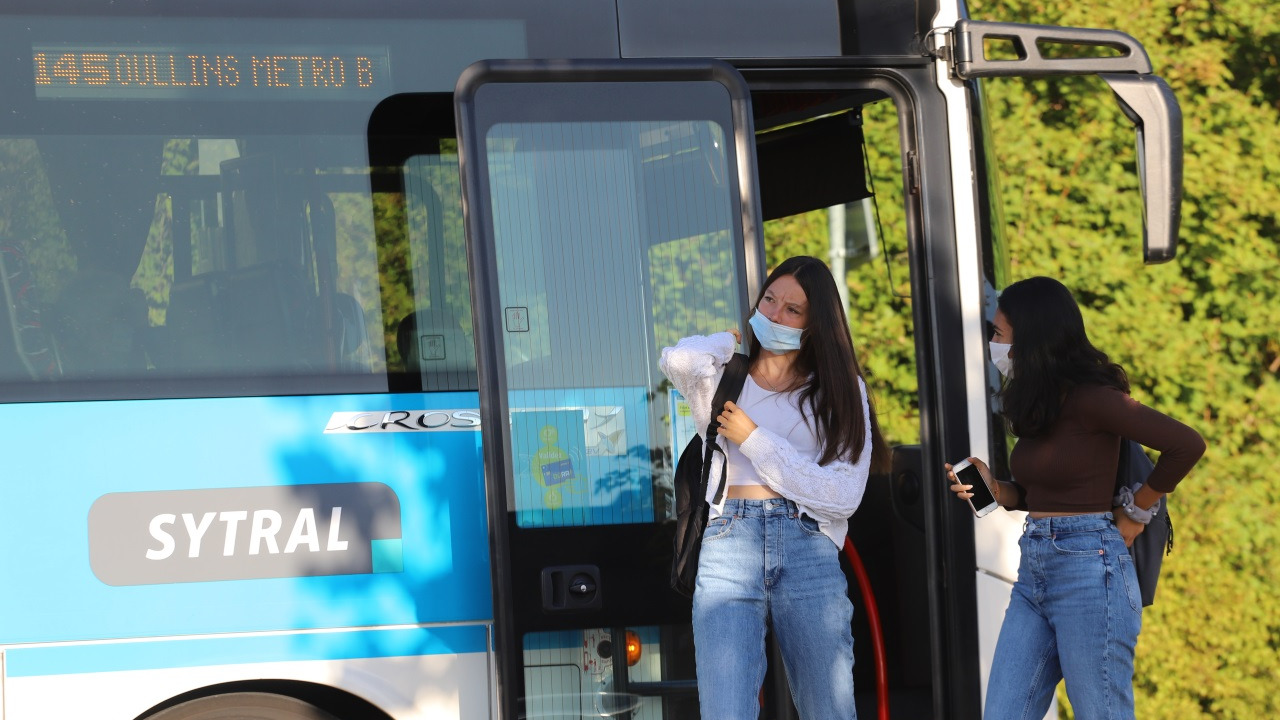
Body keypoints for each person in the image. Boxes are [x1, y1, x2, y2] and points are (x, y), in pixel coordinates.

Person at [946, 276, 1205, 720]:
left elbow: (1187, 444)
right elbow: (1036, 493)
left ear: (1031, 338)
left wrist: (1137, 511)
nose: (992, 343)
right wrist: (993, 488)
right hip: (1034, 570)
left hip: (1090, 568)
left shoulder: (1094, 398)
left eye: (998, 333)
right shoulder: (1039, 402)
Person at [659, 255, 888, 720]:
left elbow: (844, 495)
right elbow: (678, 359)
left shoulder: (840, 389)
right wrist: (728, 340)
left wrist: (756, 441)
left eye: (792, 310)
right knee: (725, 711)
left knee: (829, 710)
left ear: (815, 324)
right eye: (769, 300)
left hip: (808, 546)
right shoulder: (725, 378)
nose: (774, 316)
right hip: (728, 543)